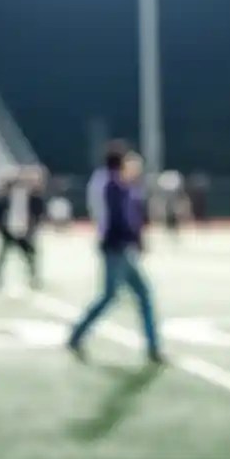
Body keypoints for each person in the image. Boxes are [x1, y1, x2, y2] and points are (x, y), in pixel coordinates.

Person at [68, 146, 163, 364]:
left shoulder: (114, 183)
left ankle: (153, 346)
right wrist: (134, 239)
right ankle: (77, 334)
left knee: (140, 295)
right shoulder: (114, 185)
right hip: (117, 248)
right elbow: (120, 219)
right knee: (111, 296)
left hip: (120, 248)